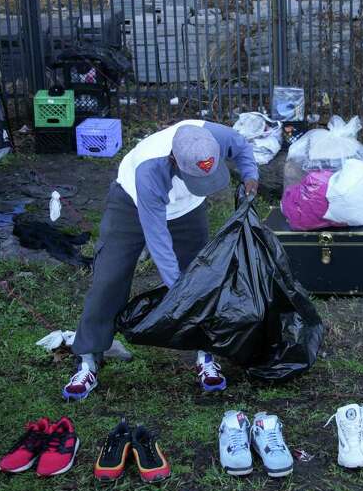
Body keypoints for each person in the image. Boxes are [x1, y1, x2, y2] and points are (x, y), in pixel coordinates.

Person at [63, 120, 259, 400]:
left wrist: (251, 173)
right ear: (174, 161)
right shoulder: (149, 170)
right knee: (109, 278)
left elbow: (241, 146)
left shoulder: (213, 136)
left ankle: (206, 354)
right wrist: (179, 290)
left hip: (187, 209)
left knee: (203, 278)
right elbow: (158, 242)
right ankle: (89, 357)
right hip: (131, 205)